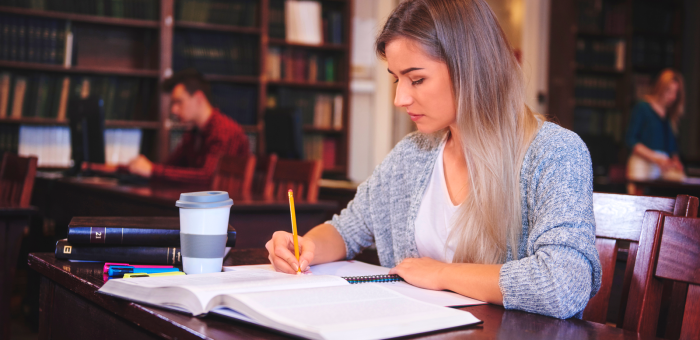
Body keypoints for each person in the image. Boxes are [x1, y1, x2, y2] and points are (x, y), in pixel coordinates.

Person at [266, 0, 600, 319]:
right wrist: (304, 245)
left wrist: (442, 274)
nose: (400, 98)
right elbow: (346, 230)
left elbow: (563, 285)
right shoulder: (412, 155)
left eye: (417, 79)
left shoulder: (555, 153)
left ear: (470, 67)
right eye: (398, 79)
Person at [127, 69, 250, 185]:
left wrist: (153, 170)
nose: (173, 110)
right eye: (173, 103)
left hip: (226, 206)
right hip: (204, 203)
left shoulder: (223, 130)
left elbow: (208, 178)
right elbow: (171, 166)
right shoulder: (194, 133)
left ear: (198, 98)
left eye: (179, 102)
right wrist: (140, 168)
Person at [626, 69, 686, 192]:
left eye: (676, 93)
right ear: (660, 88)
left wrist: (675, 162)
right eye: (669, 91)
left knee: (681, 186)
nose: (672, 97)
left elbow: (672, 148)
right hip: (643, 161)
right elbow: (631, 140)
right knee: (638, 197)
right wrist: (656, 158)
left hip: (663, 165)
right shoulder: (643, 108)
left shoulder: (669, 116)